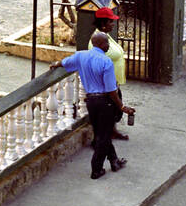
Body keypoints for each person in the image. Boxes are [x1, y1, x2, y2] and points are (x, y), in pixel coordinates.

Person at [57, 31, 133, 178]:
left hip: (91, 101)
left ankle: (114, 161)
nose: (108, 45)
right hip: (105, 103)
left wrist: (55, 64)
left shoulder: (81, 56)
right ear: (100, 44)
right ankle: (96, 169)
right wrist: (122, 106)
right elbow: (112, 90)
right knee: (103, 137)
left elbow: (64, 62)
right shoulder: (106, 62)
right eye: (107, 43)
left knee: (100, 132)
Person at [93, 7, 131, 140]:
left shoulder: (105, 36)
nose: (113, 24)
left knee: (114, 109)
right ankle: (101, 138)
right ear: (103, 23)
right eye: (111, 22)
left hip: (114, 81)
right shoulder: (97, 40)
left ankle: (112, 131)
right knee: (110, 109)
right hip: (108, 84)